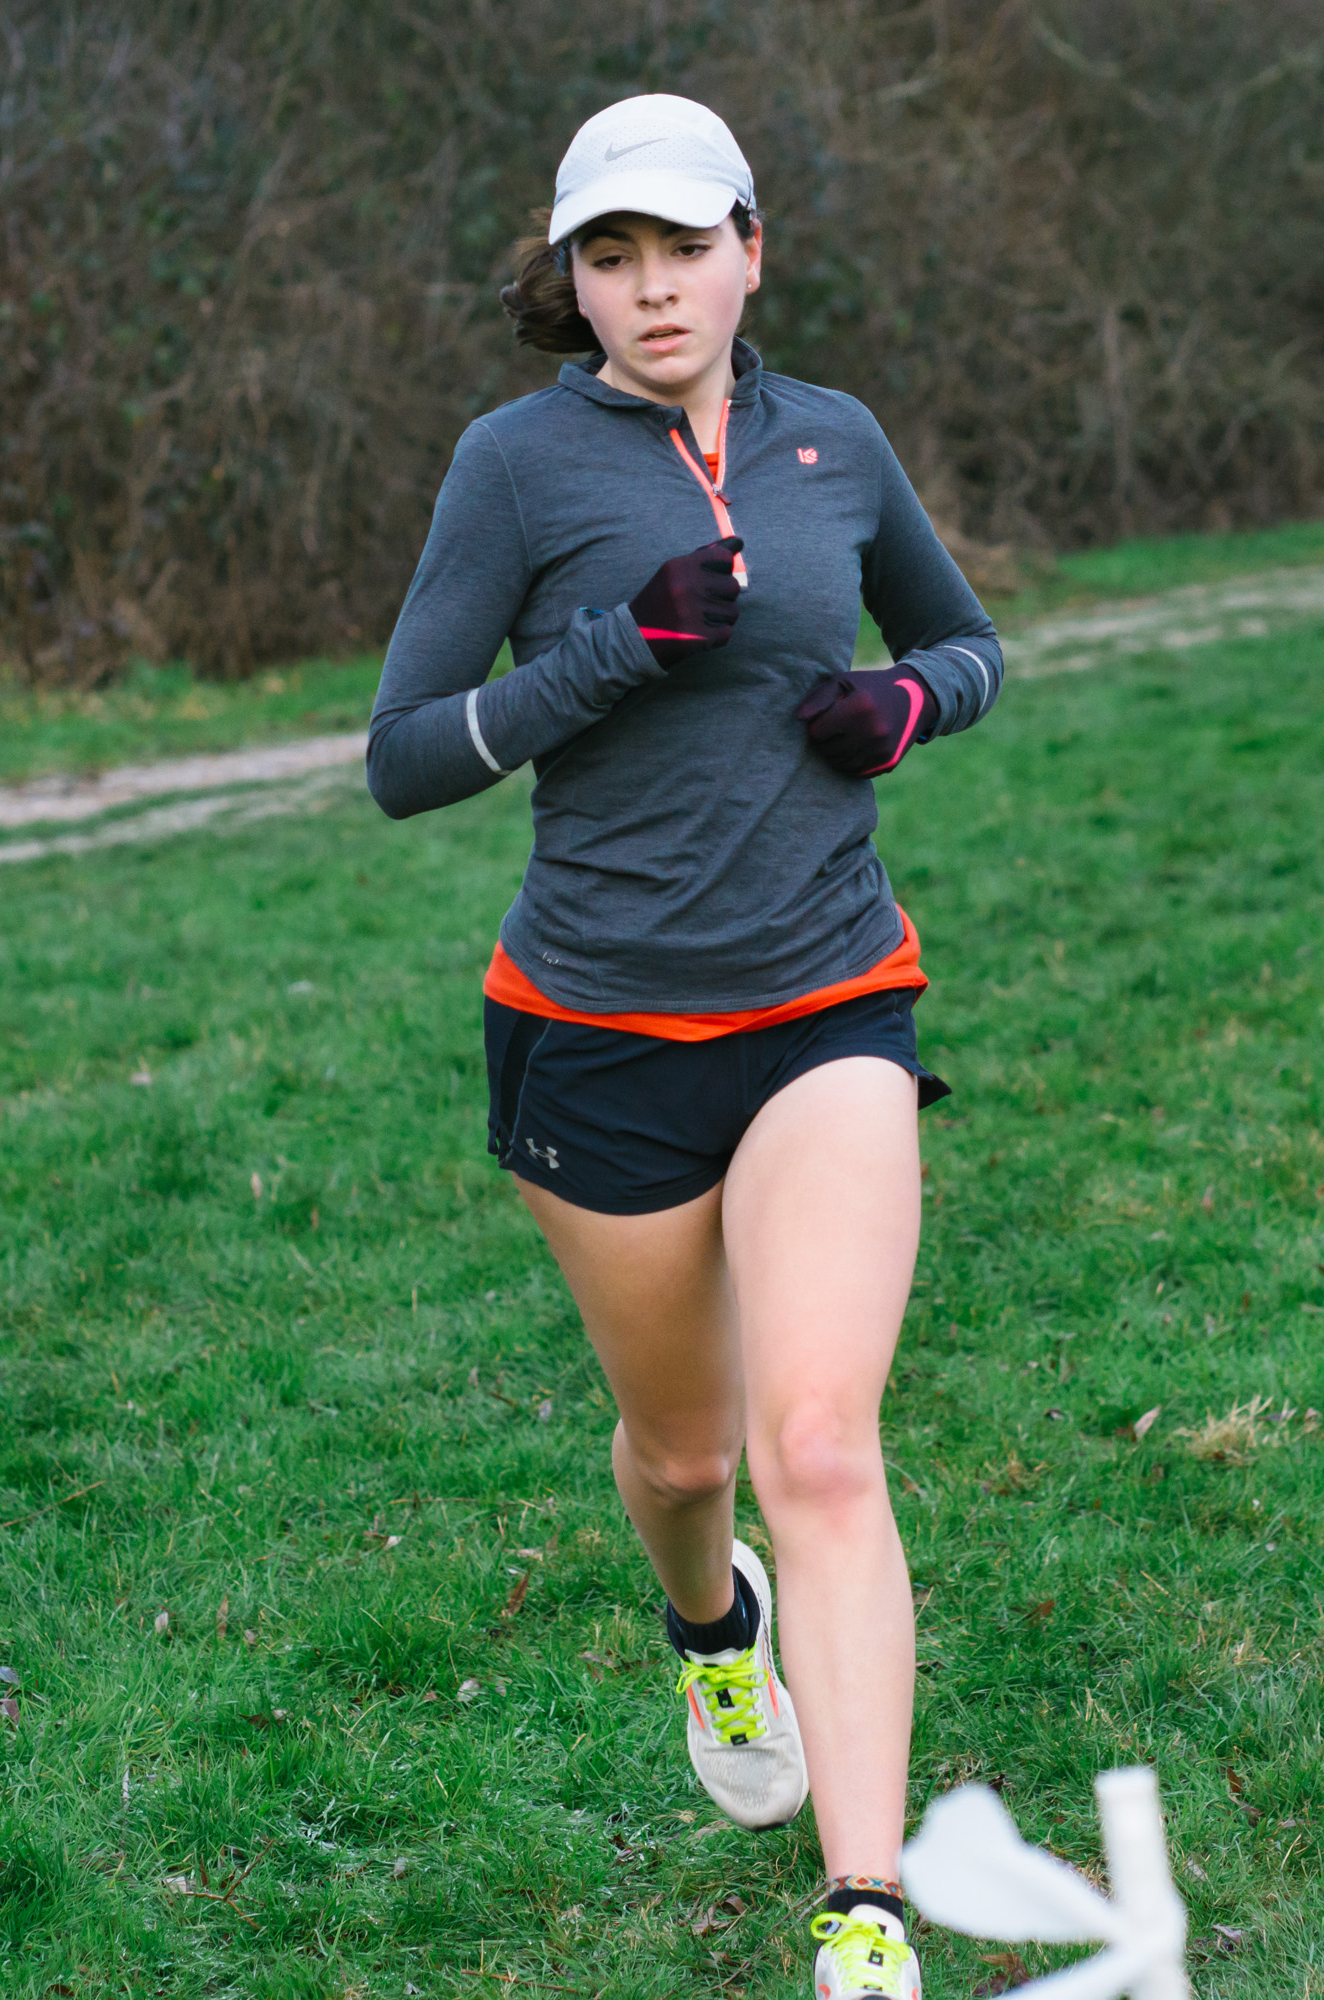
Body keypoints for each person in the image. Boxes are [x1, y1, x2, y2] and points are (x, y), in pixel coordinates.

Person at [364, 91, 1001, 2000]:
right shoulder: (514, 466)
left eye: (682, 249)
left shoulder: (835, 442)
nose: (652, 291)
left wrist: (900, 706)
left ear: (750, 249)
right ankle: (710, 1625)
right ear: (571, 279)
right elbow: (402, 757)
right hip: (601, 1030)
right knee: (685, 1448)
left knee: (823, 1442)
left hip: (828, 997)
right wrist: (607, 653)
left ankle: (864, 1908)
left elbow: (971, 649)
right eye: (610, 259)